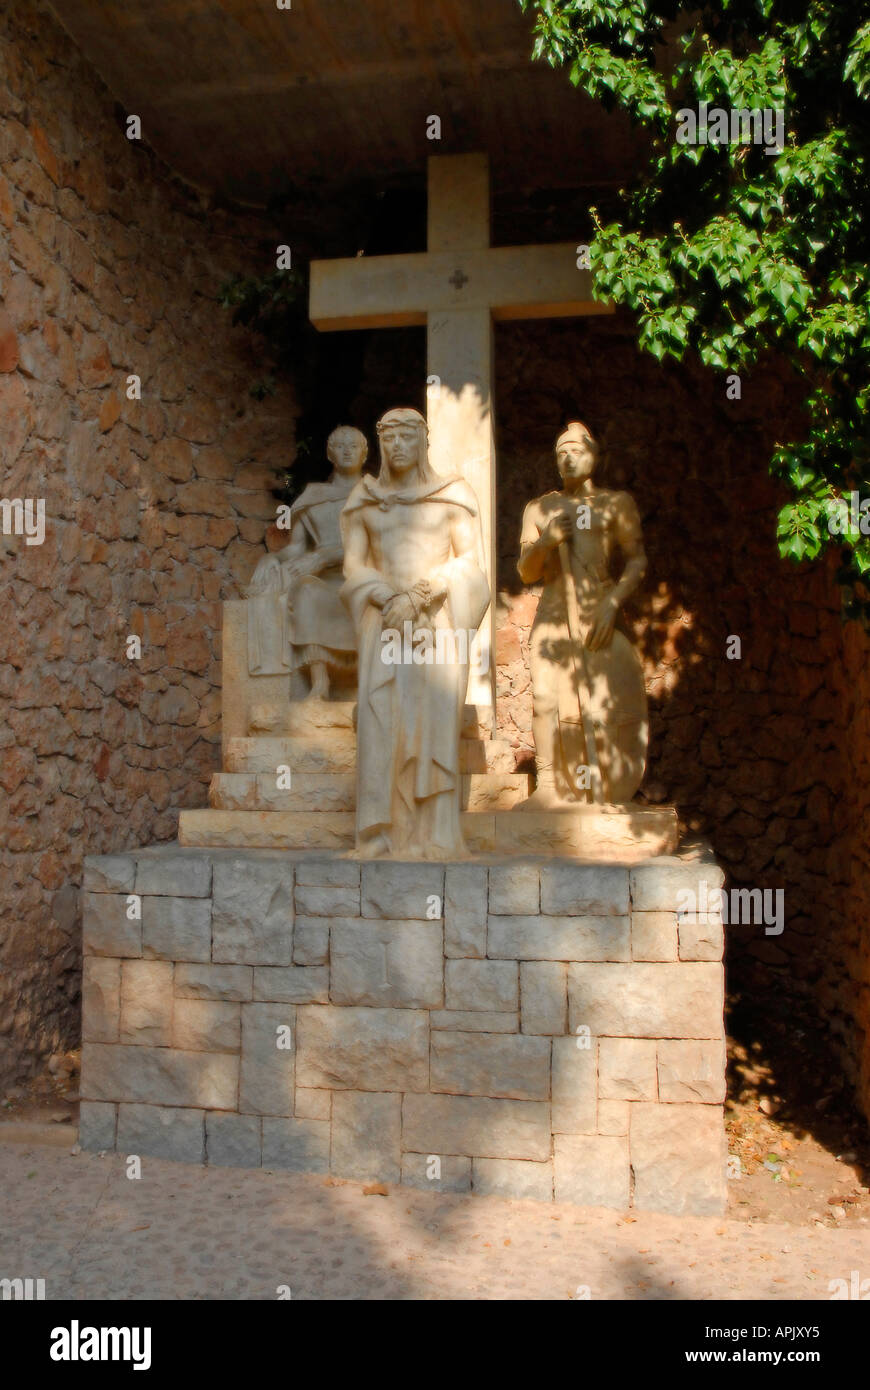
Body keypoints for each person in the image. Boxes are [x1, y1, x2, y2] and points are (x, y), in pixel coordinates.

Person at [341, 407, 489, 856]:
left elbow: (470, 564)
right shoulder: (364, 500)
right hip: (384, 624)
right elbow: (353, 563)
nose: (398, 446)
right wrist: (385, 597)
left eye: (407, 437)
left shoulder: (452, 497)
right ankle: (380, 835)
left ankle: (438, 835)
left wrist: (424, 594)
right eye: (390, 438)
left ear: (424, 442)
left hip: (436, 624)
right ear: (381, 444)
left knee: (433, 726)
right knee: (382, 723)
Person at [517, 421, 648, 806]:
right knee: (544, 698)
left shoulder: (615, 504)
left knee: (601, 702)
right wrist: (545, 542)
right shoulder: (539, 508)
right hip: (554, 613)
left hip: (596, 610)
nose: (568, 457)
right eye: (561, 452)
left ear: (593, 455)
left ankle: (603, 786)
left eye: (576, 449)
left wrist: (612, 604)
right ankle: (548, 787)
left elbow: (637, 560)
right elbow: (526, 571)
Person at [245, 425, 367, 698]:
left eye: (354, 445)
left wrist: (325, 556)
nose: (347, 451)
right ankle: (319, 682)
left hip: (363, 575)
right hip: (322, 579)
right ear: (329, 453)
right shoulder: (313, 496)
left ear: (365, 452)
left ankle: (369, 681)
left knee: (369, 598)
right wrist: (271, 557)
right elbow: (297, 547)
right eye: (340, 445)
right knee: (307, 593)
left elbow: (381, 546)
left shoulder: (376, 494)